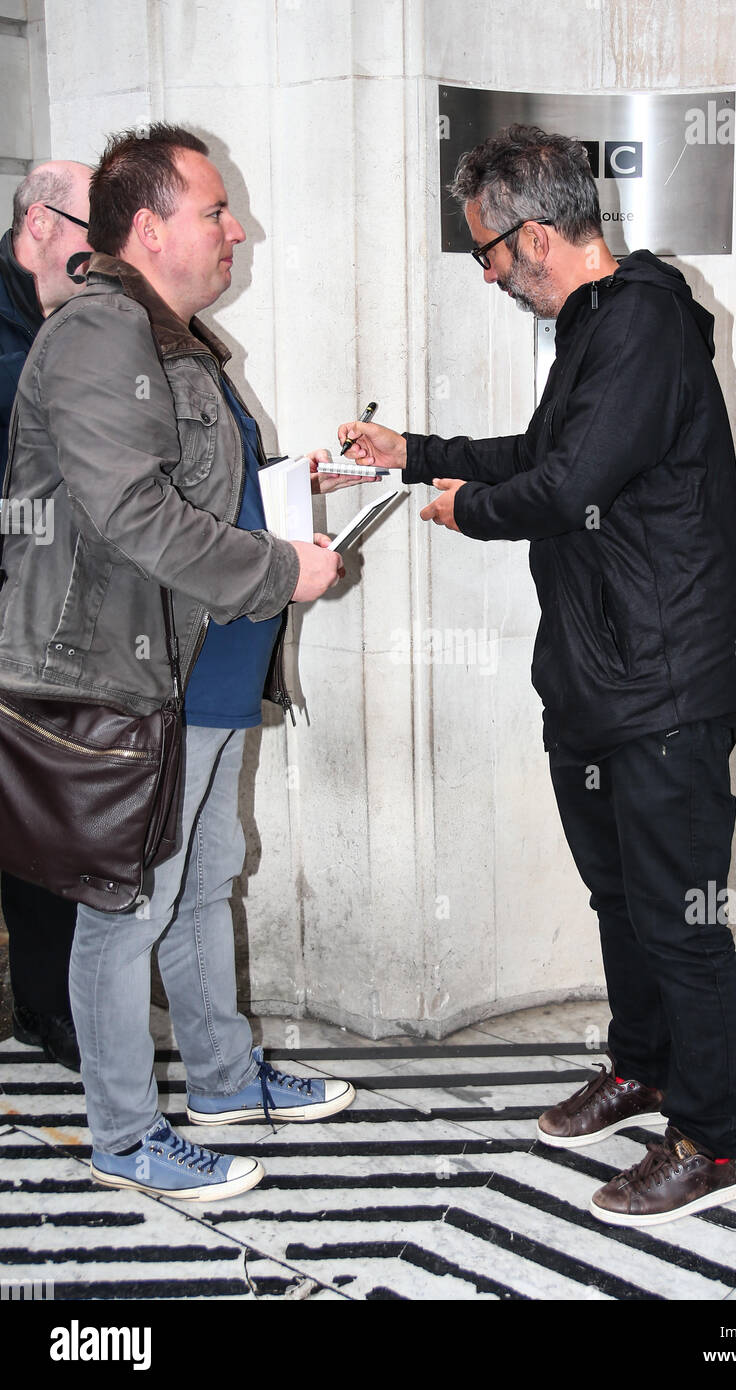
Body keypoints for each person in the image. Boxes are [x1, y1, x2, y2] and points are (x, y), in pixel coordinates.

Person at [338, 124, 736, 1227]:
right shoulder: (594, 328)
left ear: (531, 235)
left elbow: (567, 486)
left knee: (682, 919)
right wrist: (416, 453)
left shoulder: (646, 326)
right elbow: (540, 455)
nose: (483, 272)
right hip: (596, 677)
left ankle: (711, 1142)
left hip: (661, 686)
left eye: (483, 251)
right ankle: (643, 1069)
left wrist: (460, 511)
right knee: (622, 900)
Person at [0, 124, 361, 1201]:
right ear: (149, 227)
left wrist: (300, 490)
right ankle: (121, 1133)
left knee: (201, 878)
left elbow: (202, 492)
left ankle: (220, 1074)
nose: (234, 226)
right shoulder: (100, 334)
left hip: (204, 664)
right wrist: (276, 572)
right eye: (214, 210)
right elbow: (129, 511)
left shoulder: (180, 340)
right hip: (131, 668)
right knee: (127, 903)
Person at [0, 161, 93, 1071]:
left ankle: (45, 1006)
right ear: (39, 223)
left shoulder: (68, 316)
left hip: (44, 601)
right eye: (90, 232)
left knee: (37, 810)